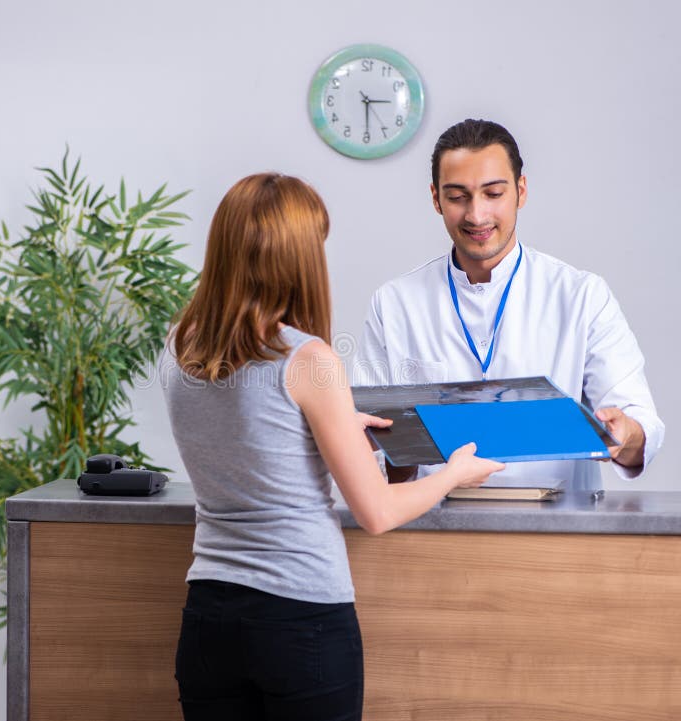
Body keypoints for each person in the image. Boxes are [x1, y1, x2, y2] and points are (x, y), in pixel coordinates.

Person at [160, 172, 504, 721]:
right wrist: (452, 474)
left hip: (208, 619)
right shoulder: (309, 360)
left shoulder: (179, 346)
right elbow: (377, 513)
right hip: (301, 623)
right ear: (296, 257)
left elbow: (249, 434)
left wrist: (337, 424)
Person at [356, 118, 664, 490]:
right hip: (432, 527)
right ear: (436, 198)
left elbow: (638, 428)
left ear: (521, 190)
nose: (476, 215)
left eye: (493, 193)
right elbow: (366, 440)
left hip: (559, 528)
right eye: (457, 197)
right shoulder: (394, 303)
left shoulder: (582, 295)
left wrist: (624, 434)